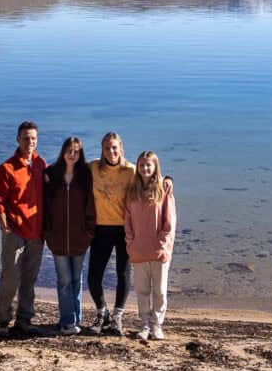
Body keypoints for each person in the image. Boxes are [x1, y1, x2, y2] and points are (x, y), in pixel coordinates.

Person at [0, 121, 45, 334]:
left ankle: (24, 319)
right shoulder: (7, 168)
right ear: (18, 140)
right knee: (10, 278)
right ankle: (3, 319)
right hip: (15, 232)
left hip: (37, 232)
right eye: (25, 138)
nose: (29, 142)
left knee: (29, 280)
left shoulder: (41, 165)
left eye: (33, 138)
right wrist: (4, 225)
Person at [44, 136, 95, 335]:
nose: (72, 155)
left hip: (79, 239)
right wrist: (48, 233)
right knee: (64, 281)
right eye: (69, 151)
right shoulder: (51, 174)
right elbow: (46, 206)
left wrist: (89, 233)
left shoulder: (85, 177)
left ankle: (76, 318)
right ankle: (67, 322)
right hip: (57, 240)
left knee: (77, 279)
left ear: (80, 154)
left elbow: (90, 207)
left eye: (76, 151)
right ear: (63, 152)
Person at [87, 131, 135, 336]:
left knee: (123, 274)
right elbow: (68, 169)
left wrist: (167, 180)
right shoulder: (93, 168)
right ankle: (102, 312)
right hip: (101, 228)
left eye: (114, 147)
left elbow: (153, 180)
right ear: (102, 149)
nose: (111, 151)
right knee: (93, 276)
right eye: (107, 147)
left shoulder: (131, 171)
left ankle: (117, 317)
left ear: (121, 147)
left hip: (124, 229)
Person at [125, 156, 176, 342]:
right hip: (138, 251)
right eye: (142, 165)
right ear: (137, 167)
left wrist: (162, 245)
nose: (145, 168)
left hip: (159, 252)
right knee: (142, 290)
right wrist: (130, 243)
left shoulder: (164, 190)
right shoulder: (132, 192)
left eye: (149, 165)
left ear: (155, 167)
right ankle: (145, 323)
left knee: (160, 291)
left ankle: (157, 324)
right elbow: (128, 221)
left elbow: (169, 222)